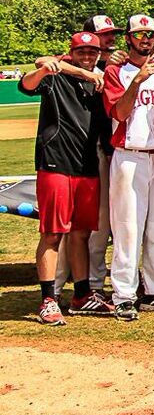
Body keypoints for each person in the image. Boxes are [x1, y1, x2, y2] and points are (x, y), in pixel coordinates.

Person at [21, 32, 112, 325]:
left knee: (81, 233)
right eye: (81, 51)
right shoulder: (55, 76)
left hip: (87, 166)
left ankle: (82, 295)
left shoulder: (99, 82)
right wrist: (47, 68)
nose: (87, 56)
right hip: (55, 163)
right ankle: (48, 299)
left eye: (91, 51)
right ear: (71, 53)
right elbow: (26, 85)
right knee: (52, 233)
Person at [103, 15, 154, 320]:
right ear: (128, 38)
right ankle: (123, 294)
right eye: (139, 34)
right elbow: (120, 113)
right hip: (129, 155)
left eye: (149, 34)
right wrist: (137, 80)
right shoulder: (117, 71)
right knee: (128, 228)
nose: (145, 39)